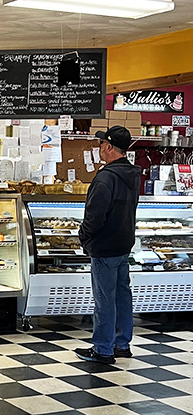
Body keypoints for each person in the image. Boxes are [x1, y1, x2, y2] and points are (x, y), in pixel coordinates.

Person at [76, 125, 140, 365]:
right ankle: (122, 344)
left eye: (102, 143)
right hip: (124, 244)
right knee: (122, 297)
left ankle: (103, 349)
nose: (100, 147)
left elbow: (95, 217)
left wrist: (84, 237)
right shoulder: (133, 175)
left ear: (110, 147)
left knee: (104, 299)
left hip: (104, 247)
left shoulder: (105, 178)